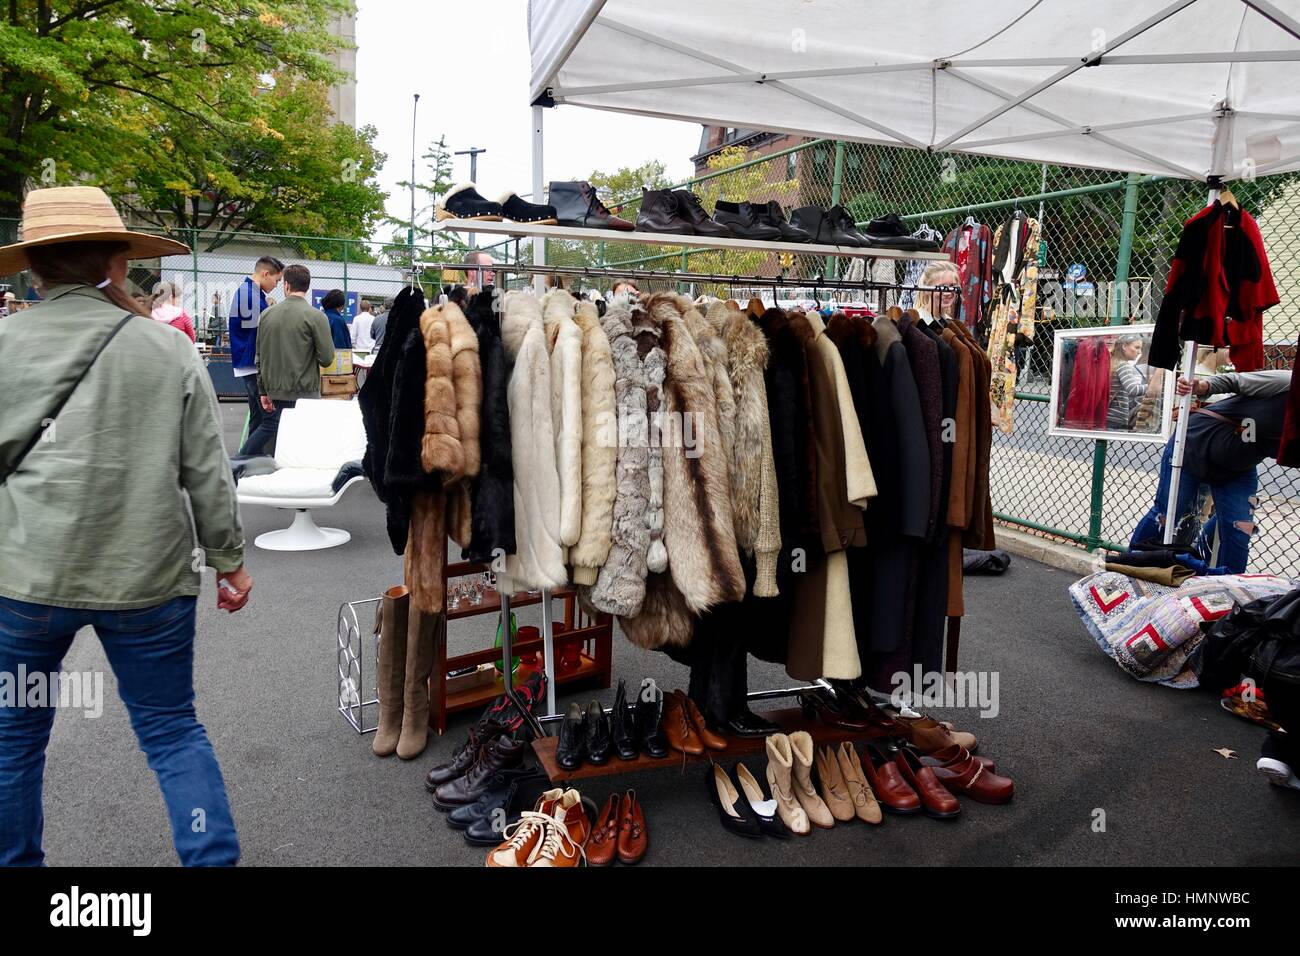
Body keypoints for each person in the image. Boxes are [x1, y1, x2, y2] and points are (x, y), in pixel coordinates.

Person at [0, 185, 249, 866]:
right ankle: (210, 859)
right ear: (115, 264)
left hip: (25, 580)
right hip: (149, 580)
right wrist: (229, 562)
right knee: (172, 731)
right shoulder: (166, 350)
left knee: (14, 740)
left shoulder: (3, 343)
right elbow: (207, 470)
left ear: (33, 269)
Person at [1130, 367, 1294, 573]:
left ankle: (1226, 589)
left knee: (1239, 526)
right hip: (1193, 444)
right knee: (1165, 514)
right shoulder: (1290, 382)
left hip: (1238, 467)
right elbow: (1237, 380)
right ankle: (1129, 566)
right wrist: (1202, 386)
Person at [240, 263, 334, 456]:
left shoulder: (266, 315)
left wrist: (263, 390)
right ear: (307, 286)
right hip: (305, 390)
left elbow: (260, 356)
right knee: (302, 442)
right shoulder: (317, 317)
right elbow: (326, 358)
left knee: (271, 432)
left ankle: (245, 463)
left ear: (287, 286)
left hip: (274, 389)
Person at [229, 256, 285, 449]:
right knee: (271, 420)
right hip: (252, 364)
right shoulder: (250, 296)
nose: (277, 285)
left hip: (248, 362)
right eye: (276, 280)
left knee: (259, 417)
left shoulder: (249, 293)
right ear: (265, 274)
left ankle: (249, 460)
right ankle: (242, 459)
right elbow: (260, 336)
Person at [1105, 334, 1147, 431]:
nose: (1139, 352)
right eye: (1137, 347)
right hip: (1116, 419)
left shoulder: (1111, 362)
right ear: (1124, 346)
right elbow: (1132, 389)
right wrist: (1153, 386)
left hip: (1107, 416)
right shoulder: (1123, 365)